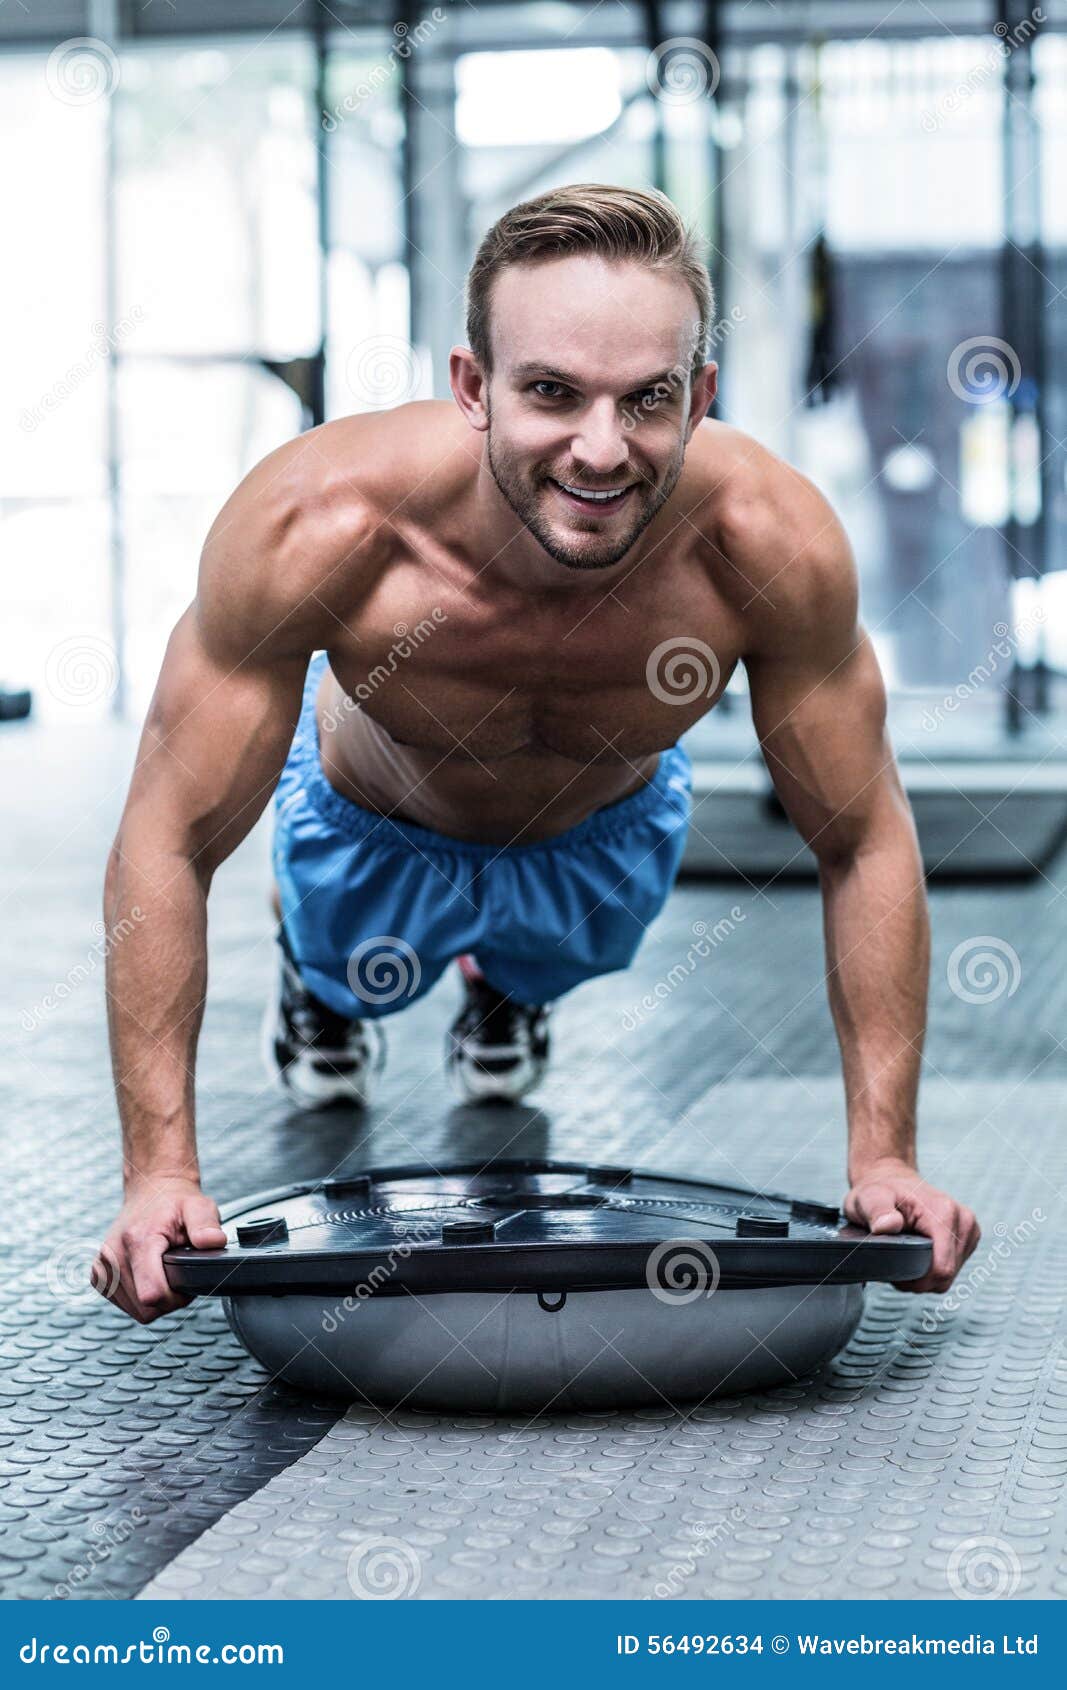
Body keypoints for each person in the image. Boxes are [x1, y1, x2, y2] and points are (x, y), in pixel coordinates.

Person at [96, 183, 979, 1324]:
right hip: (376, 814)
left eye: (646, 400)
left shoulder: (769, 543)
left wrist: (884, 1157)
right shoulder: (318, 524)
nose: (601, 450)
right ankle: (317, 982)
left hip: (599, 832)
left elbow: (859, 832)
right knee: (348, 961)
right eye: (552, 393)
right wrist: (159, 1173)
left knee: (549, 957)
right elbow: (167, 831)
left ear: (699, 397)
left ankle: (507, 981)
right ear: (473, 387)